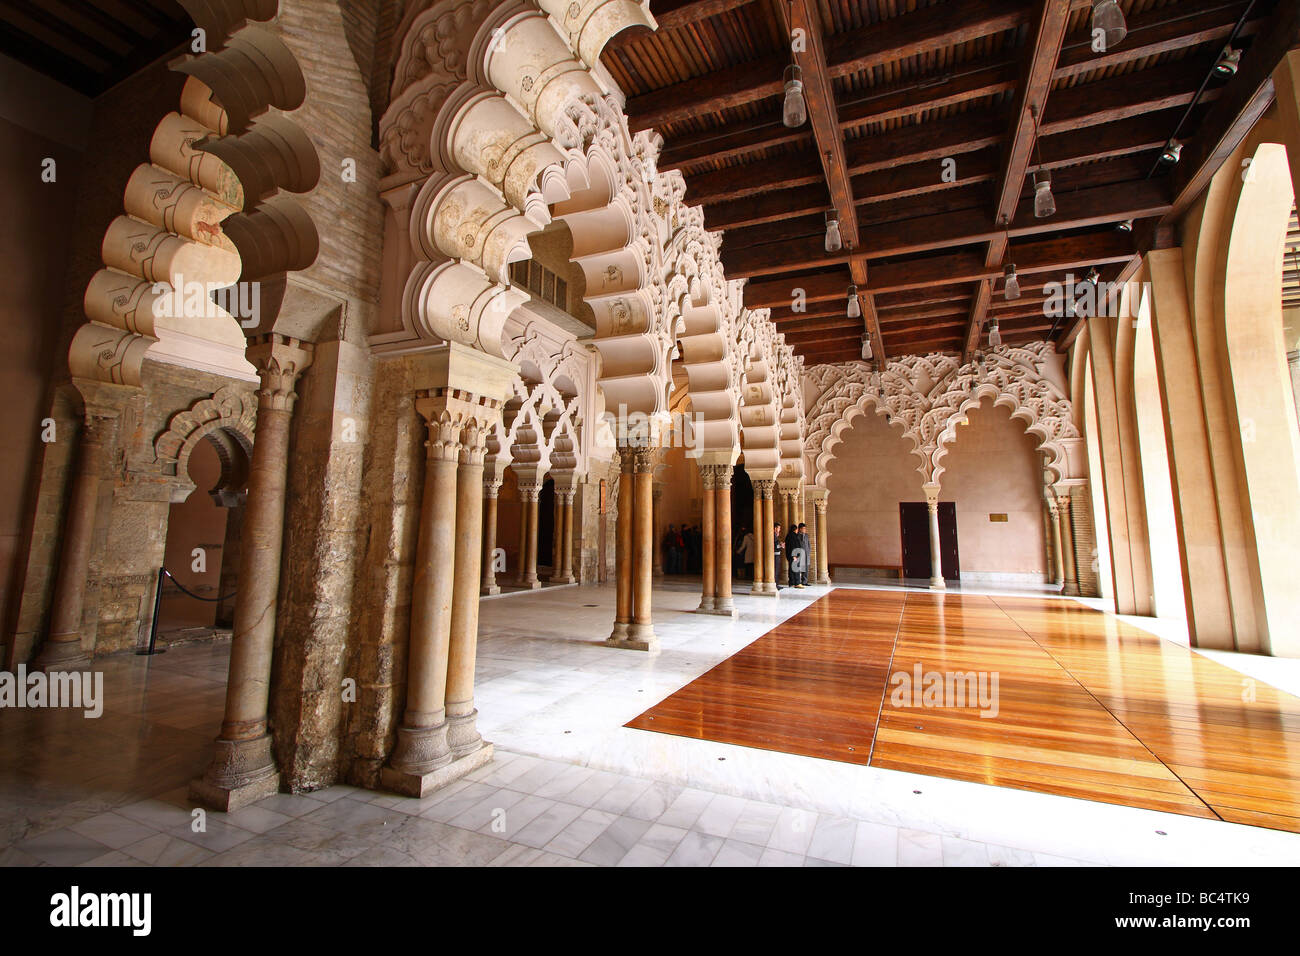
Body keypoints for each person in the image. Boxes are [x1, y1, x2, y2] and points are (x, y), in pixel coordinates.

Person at [785, 523, 803, 589]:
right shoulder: (793, 536)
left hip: (790, 555)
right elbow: (793, 546)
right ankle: (797, 583)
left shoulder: (789, 535)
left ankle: (791, 582)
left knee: (791, 569)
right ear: (796, 529)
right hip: (793, 555)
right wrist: (794, 555)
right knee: (796, 569)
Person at [772, 523, 784, 589]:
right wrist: (781, 545)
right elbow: (774, 546)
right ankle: (775, 585)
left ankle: (776, 584)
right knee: (776, 570)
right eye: (779, 528)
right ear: (775, 528)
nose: (779, 529)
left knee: (777, 570)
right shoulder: (773, 535)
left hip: (777, 554)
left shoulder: (775, 535)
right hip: (775, 555)